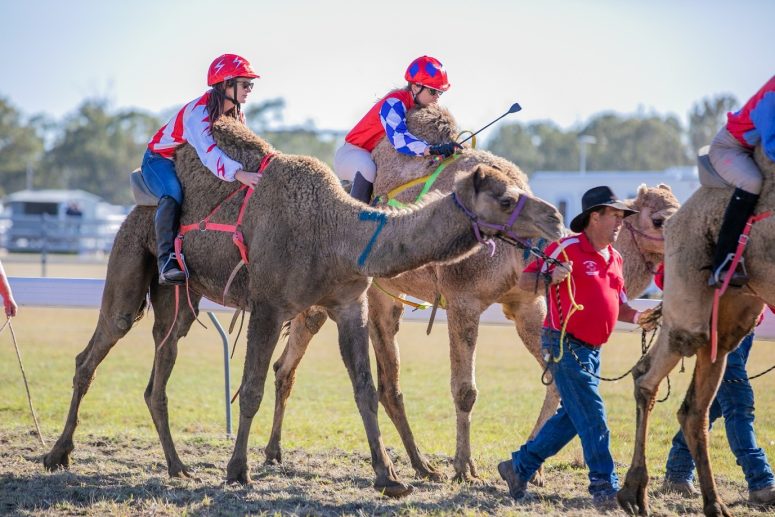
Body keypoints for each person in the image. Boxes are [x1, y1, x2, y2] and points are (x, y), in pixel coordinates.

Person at [497, 186, 655, 506]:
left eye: (622, 216)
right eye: (614, 215)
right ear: (594, 217)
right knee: (593, 414)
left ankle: (519, 467)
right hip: (563, 343)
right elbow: (526, 281)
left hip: (593, 349)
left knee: (573, 415)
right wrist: (550, 276)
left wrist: (640, 317)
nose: (620, 222)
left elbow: (619, 305)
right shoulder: (565, 248)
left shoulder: (616, 257)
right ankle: (603, 486)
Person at [142, 53, 262, 285]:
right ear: (227, 84)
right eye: (245, 84)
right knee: (173, 194)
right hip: (160, 159)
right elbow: (210, 154)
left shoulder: (236, 113)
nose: (249, 89)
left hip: (188, 162)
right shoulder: (198, 113)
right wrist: (239, 174)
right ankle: (166, 263)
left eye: (251, 85)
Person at [334, 55, 461, 203]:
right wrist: (433, 149)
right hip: (353, 153)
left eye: (440, 92)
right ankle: (355, 220)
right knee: (366, 168)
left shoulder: (418, 109)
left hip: (376, 156)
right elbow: (400, 140)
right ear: (415, 87)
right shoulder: (394, 102)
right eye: (433, 91)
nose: (437, 98)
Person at [707, 75, 775, 288]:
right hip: (729, 147)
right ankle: (723, 262)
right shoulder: (771, 95)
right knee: (752, 182)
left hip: (750, 149)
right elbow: (771, 145)